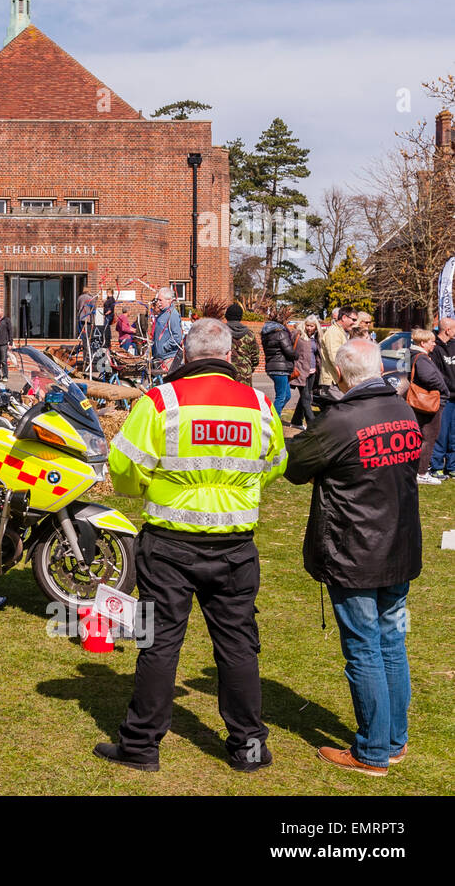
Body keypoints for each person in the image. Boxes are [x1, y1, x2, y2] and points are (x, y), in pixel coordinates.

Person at [97, 317, 286, 772]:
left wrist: (148, 488)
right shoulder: (259, 404)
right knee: (238, 646)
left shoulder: (162, 401)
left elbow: (124, 465)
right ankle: (248, 747)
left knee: (159, 644)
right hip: (235, 545)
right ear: (227, 356)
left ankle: (141, 746)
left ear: (185, 353)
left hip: (169, 543)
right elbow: (276, 463)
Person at [284, 338, 421, 776]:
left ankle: (373, 751)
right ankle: (393, 741)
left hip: (356, 551)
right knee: (390, 645)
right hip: (396, 545)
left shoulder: (341, 421)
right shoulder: (402, 410)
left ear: (339, 374)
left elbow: (295, 465)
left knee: (365, 649)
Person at [407, 328, 448, 484]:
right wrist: (443, 388)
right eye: (431, 341)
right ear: (423, 343)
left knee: (422, 437)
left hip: (420, 403)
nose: (434, 344)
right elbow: (428, 377)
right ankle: (422, 472)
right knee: (429, 437)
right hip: (429, 403)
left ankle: (417, 470)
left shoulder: (412, 354)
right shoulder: (421, 358)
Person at [428, 317, 455, 479]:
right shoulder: (434, 348)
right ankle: (436, 466)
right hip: (443, 398)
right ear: (448, 330)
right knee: (441, 433)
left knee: (454, 435)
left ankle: (452, 466)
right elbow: (435, 375)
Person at [260, 309, 296, 420]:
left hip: (272, 367)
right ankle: (273, 419)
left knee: (287, 395)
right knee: (281, 396)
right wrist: (297, 355)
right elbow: (289, 352)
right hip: (280, 367)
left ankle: (273, 413)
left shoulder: (266, 334)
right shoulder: (281, 333)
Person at [317, 306, 358, 400]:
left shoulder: (340, 332)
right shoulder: (333, 333)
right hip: (333, 381)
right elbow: (335, 358)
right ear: (344, 317)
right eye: (353, 319)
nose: (355, 323)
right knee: (347, 405)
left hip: (338, 380)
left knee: (342, 408)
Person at [225, 303, 260, 387]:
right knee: (245, 398)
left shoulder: (220, 332)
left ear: (226, 316)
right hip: (244, 374)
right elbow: (255, 356)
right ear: (240, 317)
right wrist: (249, 368)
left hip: (225, 373)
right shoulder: (249, 334)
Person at [289, 320, 315, 430]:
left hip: (313, 371)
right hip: (301, 371)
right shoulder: (299, 335)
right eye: (307, 325)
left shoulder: (316, 337)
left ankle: (296, 421)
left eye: (311, 326)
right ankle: (313, 425)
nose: (309, 328)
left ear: (316, 327)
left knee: (306, 396)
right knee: (306, 397)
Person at [151, 287, 182, 372]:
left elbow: (177, 337)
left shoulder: (173, 314)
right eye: (158, 300)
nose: (158, 303)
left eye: (160, 300)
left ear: (169, 300)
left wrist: (164, 347)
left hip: (168, 359)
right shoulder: (162, 314)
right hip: (160, 358)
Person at [0, 305, 13, 379]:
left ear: (2, 311)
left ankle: (5, 375)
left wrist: (10, 343)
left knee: (3, 361)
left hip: (3, 343)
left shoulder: (7, 320)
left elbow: (10, 331)